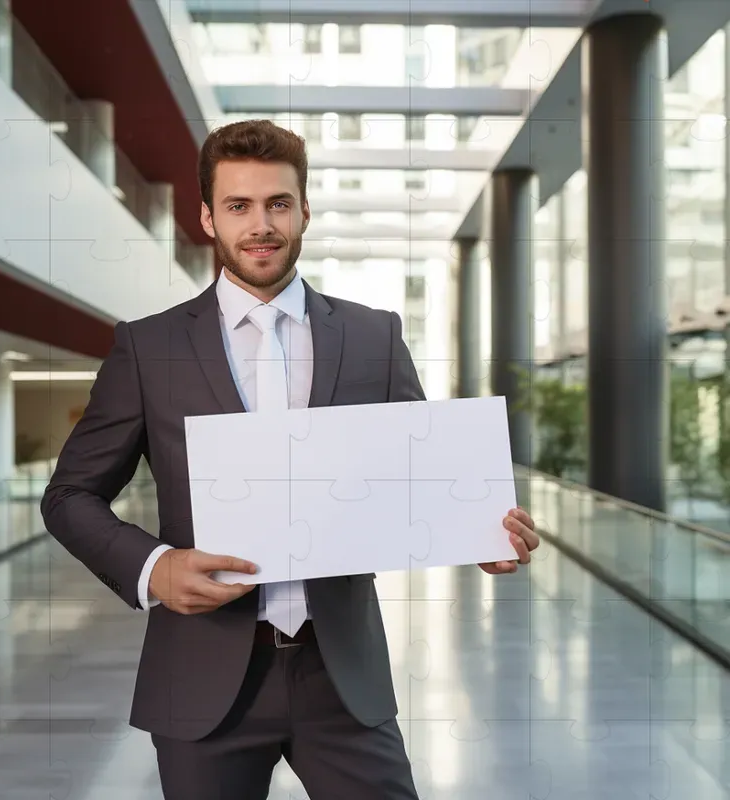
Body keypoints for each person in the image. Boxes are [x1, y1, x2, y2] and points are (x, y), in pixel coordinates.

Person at [41, 119, 539, 799]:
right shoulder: (147, 349)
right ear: (207, 217)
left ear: (304, 210)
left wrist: (480, 531)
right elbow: (70, 495)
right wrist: (154, 568)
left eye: (278, 203)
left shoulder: (374, 336)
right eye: (239, 206)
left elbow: (424, 477)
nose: (261, 225)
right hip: (202, 676)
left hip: (343, 679)